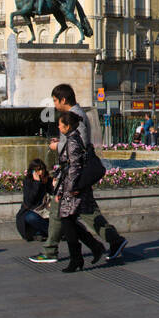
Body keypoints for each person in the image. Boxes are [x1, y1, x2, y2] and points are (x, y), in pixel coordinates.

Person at [31, 84, 127, 264]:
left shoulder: (77, 116)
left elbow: (78, 146)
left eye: (55, 100)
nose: (54, 104)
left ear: (63, 100)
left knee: (82, 213)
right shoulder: (74, 115)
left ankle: (52, 251)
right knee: (73, 212)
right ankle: (112, 241)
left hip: (75, 175)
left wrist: (57, 146)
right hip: (73, 174)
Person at [50, 111, 103, 272]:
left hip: (72, 188)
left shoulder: (73, 141)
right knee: (70, 221)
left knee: (67, 222)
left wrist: (71, 189)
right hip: (70, 186)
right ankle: (94, 247)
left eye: (60, 124)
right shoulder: (73, 138)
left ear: (67, 126)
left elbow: (74, 167)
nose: (58, 126)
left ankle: (77, 258)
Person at [18, 158, 53, 242]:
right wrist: (37, 183)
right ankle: (52, 233)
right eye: (38, 170)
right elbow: (30, 200)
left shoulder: (48, 180)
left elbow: (53, 194)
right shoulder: (28, 181)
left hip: (47, 210)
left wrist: (51, 184)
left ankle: (43, 233)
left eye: (42, 169)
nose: (40, 172)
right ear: (33, 171)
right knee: (30, 217)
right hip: (33, 210)